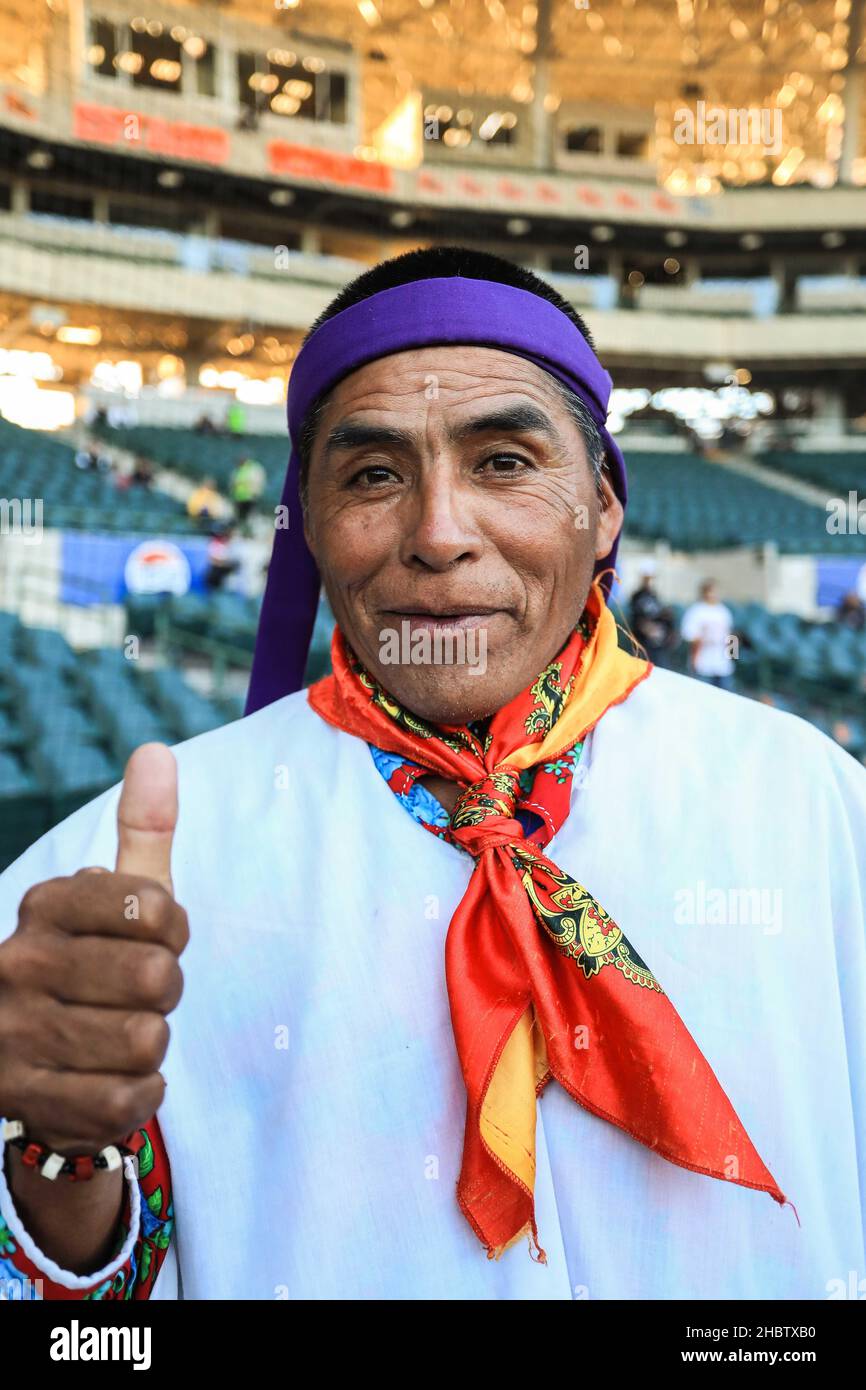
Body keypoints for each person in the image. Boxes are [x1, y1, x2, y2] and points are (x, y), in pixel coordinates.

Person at [1, 247, 865, 1302]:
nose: (440, 533)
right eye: (372, 475)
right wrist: (58, 1153)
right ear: (308, 527)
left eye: (502, 460)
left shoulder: (816, 811)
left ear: (600, 507)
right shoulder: (108, 888)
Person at [680, 579, 737, 690]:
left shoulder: (723, 611)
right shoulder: (696, 611)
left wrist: (733, 658)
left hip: (723, 665)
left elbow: (731, 636)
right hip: (703, 665)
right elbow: (689, 635)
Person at [628, 564, 675, 667]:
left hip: (658, 644)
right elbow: (638, 619)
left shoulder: (654, 595)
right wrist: (648, 628)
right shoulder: (637, 596)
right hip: (644, 644)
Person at [229, 455, 266, 530]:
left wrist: (255, 493)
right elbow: (234, 482)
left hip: (249, 497)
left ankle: (248, 532)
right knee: (240, 517)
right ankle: (240, 531)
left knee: (249, 518)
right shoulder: (239, 469)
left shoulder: (252, 468)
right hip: (239, 497)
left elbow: (257, 481)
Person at [203, 524, 240, 591]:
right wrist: (224, 562)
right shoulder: (215, 543)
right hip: (215, 574)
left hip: (226, 574)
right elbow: (213, 559)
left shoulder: (232, 544)